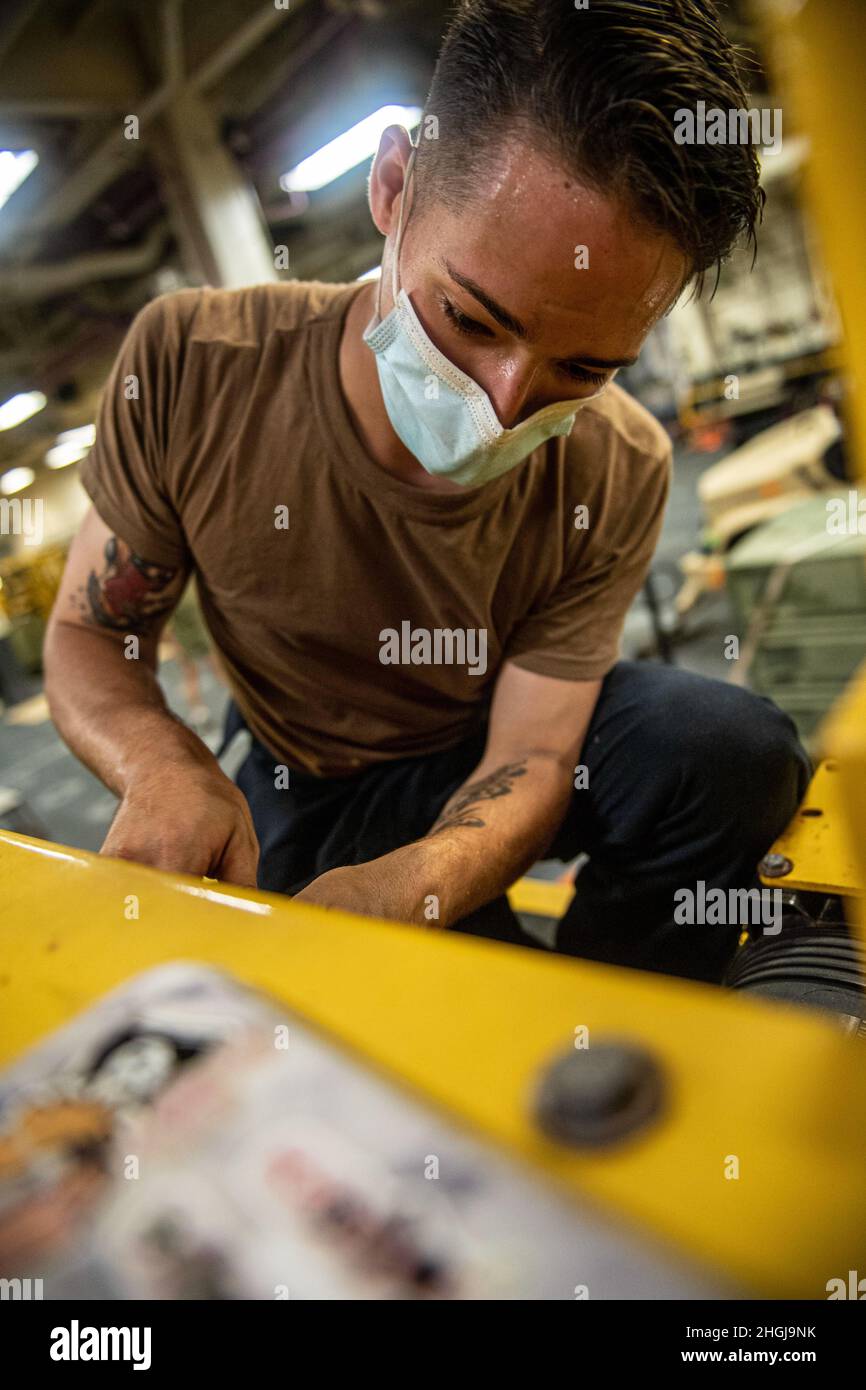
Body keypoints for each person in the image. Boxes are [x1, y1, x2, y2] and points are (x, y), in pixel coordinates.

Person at [45, 0, 809, 983]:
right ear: (394, 184)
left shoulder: (618, 463)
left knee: (726, 751)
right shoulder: (193, 361)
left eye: (581, 368)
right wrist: (163, 764)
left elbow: (531, 757)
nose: (504, 406)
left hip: (487, 747)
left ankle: (605, 1009)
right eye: (470, 319)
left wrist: (414, 885)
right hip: (298, 778)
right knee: (333, 1023)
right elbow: (85, 631)